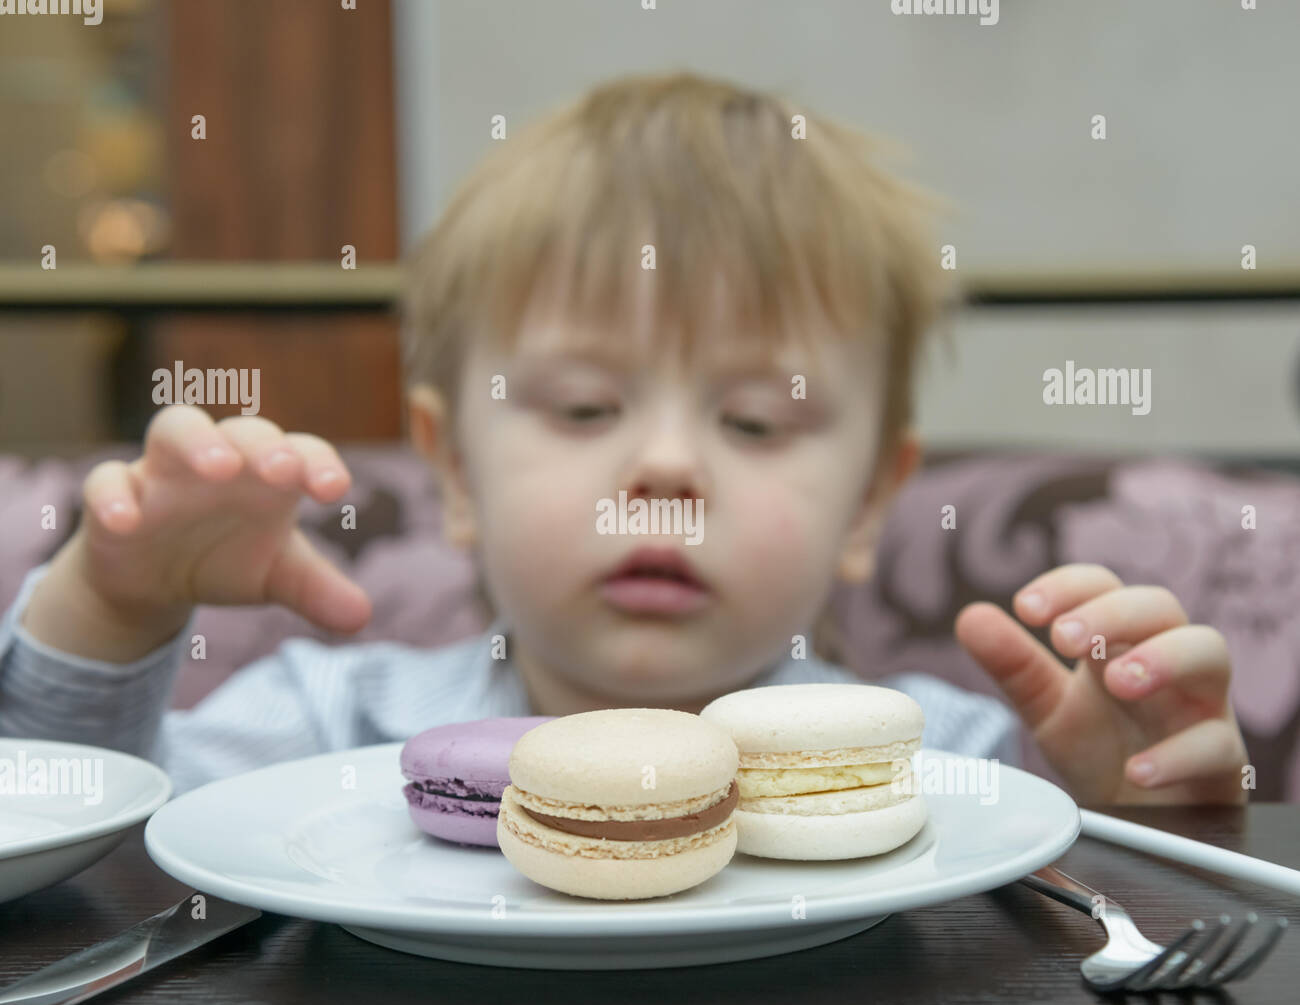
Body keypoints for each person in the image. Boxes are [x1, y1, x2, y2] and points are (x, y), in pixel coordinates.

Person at [0, 73, 1247, 805]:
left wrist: (1130, 812)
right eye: (585, 408)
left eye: (756, 421)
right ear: (452, 470)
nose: (664, 471)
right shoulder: (335, 733)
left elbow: (1115, 953)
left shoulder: (943, 766)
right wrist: (114, 614)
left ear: (870, 498)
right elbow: (70, 851)